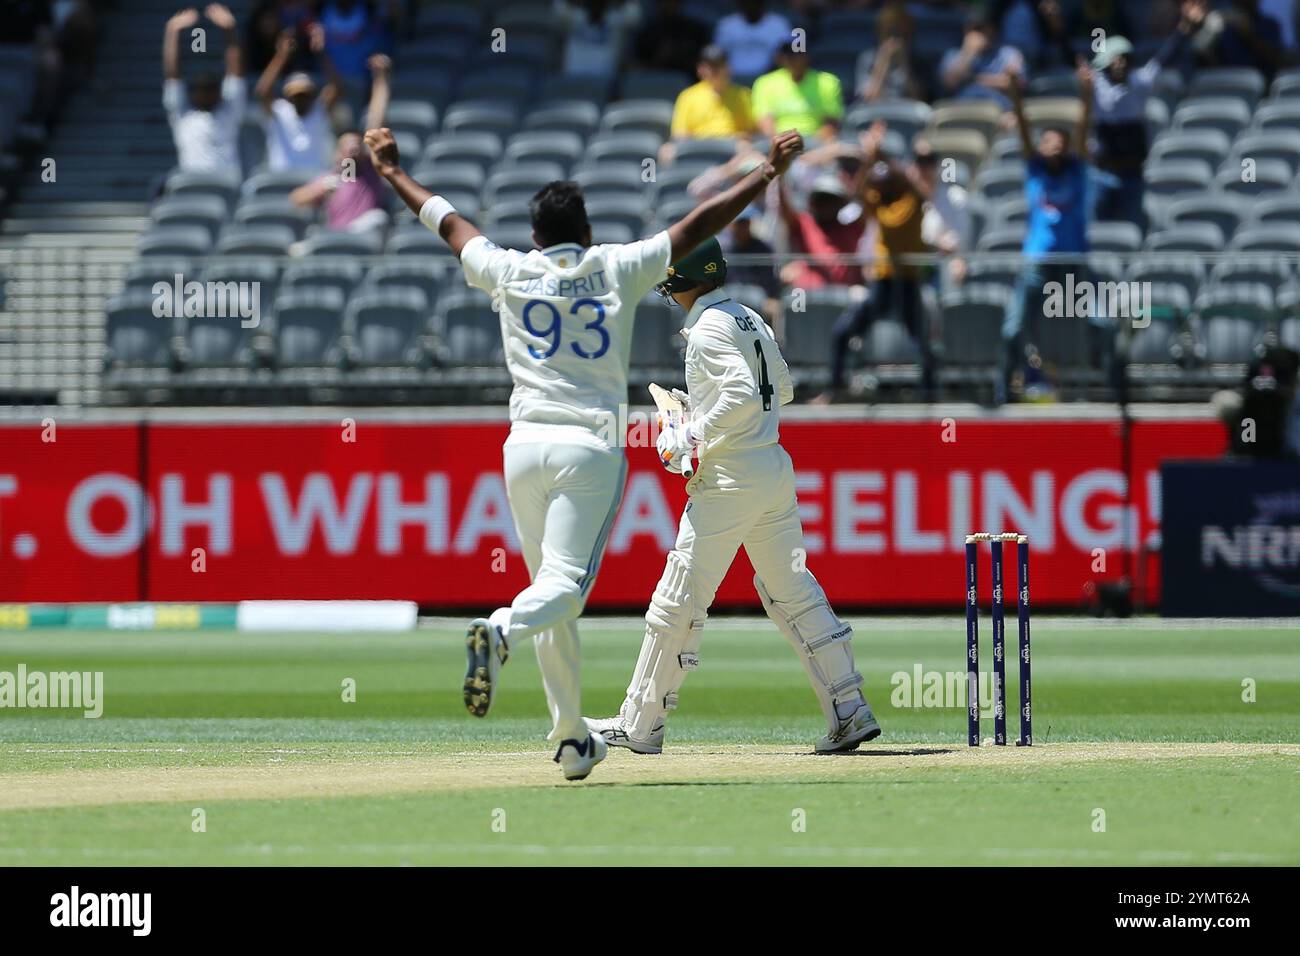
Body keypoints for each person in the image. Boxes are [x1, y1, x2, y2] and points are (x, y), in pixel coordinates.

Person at [363, 123, 804, 781]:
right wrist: (766, 173)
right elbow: (699, 223)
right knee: (564, 591)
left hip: (522, 449)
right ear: (587, 230)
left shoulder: (510, 268)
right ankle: (501, 630)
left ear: (536, 236)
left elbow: (448, 222)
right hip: (588, 449)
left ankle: (571, 737)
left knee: (552, 589)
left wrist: (392, 172)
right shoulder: (615, 266)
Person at [584, 238, 882, 756]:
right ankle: (850, 710)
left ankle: (640, 723)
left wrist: (692, 431)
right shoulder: (747, 317)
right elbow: (780, 388)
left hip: (730, 479)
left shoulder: (706, 329)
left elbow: (742, 393)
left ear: (683, 278)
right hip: (770, 465)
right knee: (790, 588)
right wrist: (701, 412)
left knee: (679, 594)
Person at [999, 63, 1106, 405]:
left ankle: (1104, 383)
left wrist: (1087, 91)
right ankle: (1007, 384)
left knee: (1098, 322)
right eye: (1048, 141)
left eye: (1059, 141)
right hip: (1037, 260)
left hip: (1073, 260)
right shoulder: (1035, 171)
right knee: (1014, 327)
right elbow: (1023, 127)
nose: (1053, 146)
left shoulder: (1077, 171)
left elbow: (1084, 125)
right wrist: (1015, 90)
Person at [820, 122, 933, 402]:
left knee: (923, 342)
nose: (881, 184)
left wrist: (887, 161)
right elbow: (857, 192)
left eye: (886, 180)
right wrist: (871, 157)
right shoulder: (877, 202)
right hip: (882, 281)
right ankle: (834, 390)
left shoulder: (910, 201)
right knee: (842, 332)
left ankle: (930, 393)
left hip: (906, 281)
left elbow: (913, 185)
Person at [1087, 1, 1201, 229]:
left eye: (1124, 58)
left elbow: (1167, 55)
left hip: (1132, 175)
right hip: (1102, 173)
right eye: (1114, 59)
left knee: (1131, 228)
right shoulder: (1096, 86)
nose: (1119, 64)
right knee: (1097, 230)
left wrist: (1185, 26)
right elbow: (1071, 55)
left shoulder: (1140, 82)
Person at [288, 54, 391, 234]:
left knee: (378, 218)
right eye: (347, 146)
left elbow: (376, 118)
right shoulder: (334, 177)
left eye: (356, 145)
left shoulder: (369, 170)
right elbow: (296, 199)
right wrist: (321, 188)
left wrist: (380, 79)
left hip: (365, 235)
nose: (353, 148)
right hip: (336, 237)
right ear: (337, 154)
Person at [162, 4, 246, 177]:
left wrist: (230, 30)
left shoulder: (230, 112)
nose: (206, 93)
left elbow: (235, 72)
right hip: (192, 187)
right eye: (202, 89)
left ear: (219, 91)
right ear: (192, 93)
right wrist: (172, 31)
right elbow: (172, 75)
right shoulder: (183, 115)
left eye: (211, 88)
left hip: (227, 189)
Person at [255, 27, 341, 173]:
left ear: (312, 96)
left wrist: (321, 53)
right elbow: (262, 91)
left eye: (305, 95)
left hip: (314, 180)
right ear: (288, 97)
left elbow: (336, 87)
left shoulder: (320, 109)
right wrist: (282, 55)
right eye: (296, 95)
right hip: (281, 181)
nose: (301, 99)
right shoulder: (279, 111)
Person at [776, 170, 864, 289]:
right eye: (821, 200)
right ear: (813, 203)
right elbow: (784, 208)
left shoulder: (850, 229)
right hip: (808, 296)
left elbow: (868, 204)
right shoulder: (804, 224)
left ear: (839, 204)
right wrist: (779, 174)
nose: (826, 206)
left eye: (831, 201)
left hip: (843, 296)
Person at [752, 46, 843, 142]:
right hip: (779, 140)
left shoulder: (827, 82)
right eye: (791, 56)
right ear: (781, 58)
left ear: (807, 56)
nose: (796, 60)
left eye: (799, 55)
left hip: (816, 141)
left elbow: (832, 121)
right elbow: (765, 121)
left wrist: (813, 146)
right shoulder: (765, 83)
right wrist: (780, 143)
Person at [669, 44, 755, 140]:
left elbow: (753, 132)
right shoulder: (688, 96)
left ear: (728, 67)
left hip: (735, 148)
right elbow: (679, 134)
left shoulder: (743, 94)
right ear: (700, 69)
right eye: (710, 66)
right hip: (700, 148)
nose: (715, 70)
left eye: (719, 65)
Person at [939, 15, 1024, 110]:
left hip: (999, 107)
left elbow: (1016, 84)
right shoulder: (953, 54)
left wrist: (972, 80)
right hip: (963, 108)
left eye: (983, 28)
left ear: (993, 29)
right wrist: (969, 53)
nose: (979, 34)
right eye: (975, 29)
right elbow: (950, 83)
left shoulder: (1009, 53)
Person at [554, 0, 642, 79]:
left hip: (603, 84)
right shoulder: (574, 18)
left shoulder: (616, 20)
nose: (595, 4)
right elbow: (559, 8)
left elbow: (634, 15)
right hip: (573, 80)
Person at [712, 0, 792, 85]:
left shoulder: (779, 24)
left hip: (768, 79)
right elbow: (718, 56)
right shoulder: (726, 25)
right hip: (732, 80)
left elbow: (789, 55)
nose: (751, 5)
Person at [859, 0, 921, 103]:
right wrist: (883, 60)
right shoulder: (867, 58)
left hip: (905, 113)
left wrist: (904, 64)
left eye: (900, 33)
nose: (893, 39)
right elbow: (869, 99)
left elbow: (919, 102)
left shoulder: (915, 58)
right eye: (888, 33)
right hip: (876, 112)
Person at [632, 0, 711, 77]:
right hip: (654, 79)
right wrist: (659, 59)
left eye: (673, 1)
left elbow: (704, 62)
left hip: (689, 79)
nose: (669, 4)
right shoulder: (648, 32)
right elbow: (638, 65)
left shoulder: (695, 30)